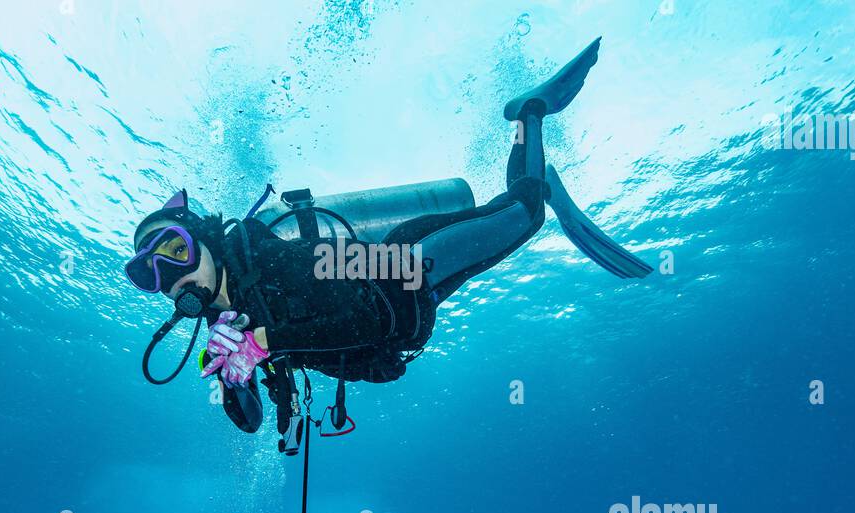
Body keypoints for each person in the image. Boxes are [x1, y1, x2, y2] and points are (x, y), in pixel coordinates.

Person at [125, 38, 650, 454]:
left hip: (409, 263)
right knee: (515, 213)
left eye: (174, 251)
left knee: (522, 216)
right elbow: (252, 421)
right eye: (150, 274)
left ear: (203, 240)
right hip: (417, 311)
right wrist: (232, 379)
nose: (171, 277)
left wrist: (265, 338)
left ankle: (529, 116)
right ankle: (539, 179)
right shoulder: (226, 331)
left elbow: (367, 318)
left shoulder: (268, 258)